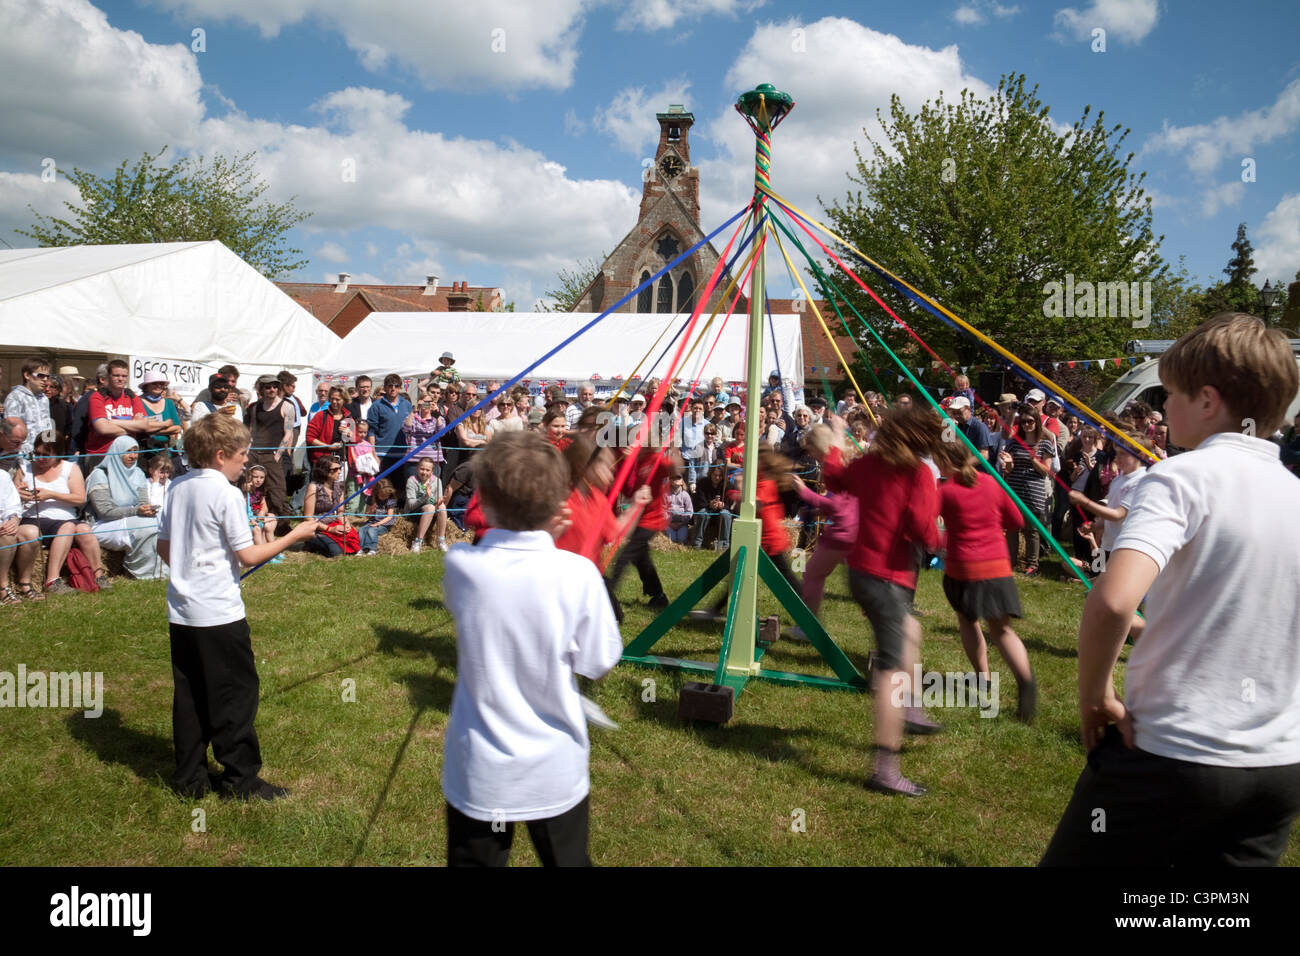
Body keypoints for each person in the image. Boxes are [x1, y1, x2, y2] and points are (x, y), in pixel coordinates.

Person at [1043, 313, 1300, 866]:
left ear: (1208, 401)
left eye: (1172, 393)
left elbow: (1113, 598)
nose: (1162, 408)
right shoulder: (1294, 493)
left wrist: (1095, 694)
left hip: (1174, 753)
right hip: (1278, 769)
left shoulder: (1179, 479)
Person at [441, 431, 622, 866]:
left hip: (481, 773)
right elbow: (598, 661)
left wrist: (537, 532)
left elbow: (493, 556)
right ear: (559, 500)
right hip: (553, 771)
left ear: (483, 503)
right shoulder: (578, 575)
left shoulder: (462, 566)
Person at [157, 412, 317, 799]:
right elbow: (248, 555)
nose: (246, 461)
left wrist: (193, 569)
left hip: (183, 612)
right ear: (219, 455)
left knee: (191, 696)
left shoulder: (176, 487)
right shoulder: (227, 493)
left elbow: (164, 546)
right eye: (242, 454)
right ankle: (240, 780)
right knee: (235, 695)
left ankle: (189, 779)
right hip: (218, 615)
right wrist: (295, 534)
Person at [822, 405, 942, 797]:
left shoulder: (870, 464)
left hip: (860, 574)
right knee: (890, 672)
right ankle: (886, 770)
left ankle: (911, 707)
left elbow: (835, 477)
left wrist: (837, 437)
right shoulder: (918, 474)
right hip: (888, 579)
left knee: (912, 629)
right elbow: (924, 530)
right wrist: (945, 537)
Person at [934, 439, 1037, 720]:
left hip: (963, 569)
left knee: (968, 621)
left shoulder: (945, 491)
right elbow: (1016, 521)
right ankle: (1026, 682)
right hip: (998, 568)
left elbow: (925, 523)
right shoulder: (992, 484)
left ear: (944, 464)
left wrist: (941, 540)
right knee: (1002, 630)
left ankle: (984, 678)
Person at [17, 438, 102, 596]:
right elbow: (13, 496)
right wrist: (21, 493)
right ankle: (52, 579)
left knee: (83, 528)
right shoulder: (25, 468)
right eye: (37, 453)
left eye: (45, 455)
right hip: (35, 517)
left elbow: (79, 498)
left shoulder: (70, 468)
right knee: (69, 527)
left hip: (65, 517)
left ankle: (98, 575)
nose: (40, 458)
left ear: (58, 454)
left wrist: (50, 494)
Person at [792, 425, 858, 621]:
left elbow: (838, 505)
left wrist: (805, 492)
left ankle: (808, 626)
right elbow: (845, 500)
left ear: (816, 446)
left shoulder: (831, 465)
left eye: (810, 449)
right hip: (855, 530)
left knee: (811, 574)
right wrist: (818, 510)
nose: (809, 454)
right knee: (865, 585)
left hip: (843, 532)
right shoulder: (837, 458)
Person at [85, 436, 166, 581]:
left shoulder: (138, 473)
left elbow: (142, 502)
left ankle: (161, 571)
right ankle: (138, 572)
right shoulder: (100, 475)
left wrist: (148, 510)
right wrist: (136, 511)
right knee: (145, 526)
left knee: (161, 522)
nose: (133, 456)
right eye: (128, 451)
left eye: (136, 451)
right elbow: (105, 511)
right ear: (117, 452)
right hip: (103, 524)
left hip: (129, 518)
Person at [998, 405, 1055, 576]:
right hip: (1015, 488)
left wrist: (1033, 459)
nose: (1026, 425)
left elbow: (1046, 470)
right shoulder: (1015, 443)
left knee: (1032, 529)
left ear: (1036, 422)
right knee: (1013, 527)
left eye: (1029, 421)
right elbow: (1009, 469)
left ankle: (1032, 564)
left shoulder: (1045, 444)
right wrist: (1008, 463)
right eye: (1022, 422)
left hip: (1034, 489)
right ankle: (1011, 562)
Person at [84, 360, 169, 471]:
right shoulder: (97, 397)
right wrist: (134, 426)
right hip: (101, 454)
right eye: (116, 375)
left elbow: (144, 425)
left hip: (127, 455)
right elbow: (103, 428)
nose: (121, 379)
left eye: (124, 376)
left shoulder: (132, 396)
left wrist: (112, 421)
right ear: (108, 376)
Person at [243, 374, 293, 517]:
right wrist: (247, 451)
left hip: (272, 454)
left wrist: (278, 454)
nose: (272, 389)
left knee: (277, 489)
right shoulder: (254, 408)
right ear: (261, 389)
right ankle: (248, 516)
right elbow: (251, 431)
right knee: (247, 485)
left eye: (275, 386)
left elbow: (288, 433)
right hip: (253, 452)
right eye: (268, 387)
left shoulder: (287, 406)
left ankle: (282, 523)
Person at [1, 464, 41, 605]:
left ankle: (25, 583)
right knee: (6, 535)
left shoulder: (3, 476)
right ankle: (3, 587)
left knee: (32, 532)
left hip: (3, 524)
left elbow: (13, 505)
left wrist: (13, 519)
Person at [302, 457, 352, 558]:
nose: (339, 472)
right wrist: (329, 529)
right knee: (337, 553)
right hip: (317, 528)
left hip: (335, 525)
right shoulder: (314, 487)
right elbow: (308, 517)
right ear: (324, 471)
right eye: (335, 469)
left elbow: (340, 512)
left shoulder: (340, 487)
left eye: (340, 468)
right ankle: (310, 543)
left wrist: (346, 523)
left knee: (354, 544)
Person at [3, 356, 54, 456]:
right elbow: (11, 432)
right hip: (21, 456)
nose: (45, 380)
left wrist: (49, 449)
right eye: (40, 375)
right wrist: (20, 456)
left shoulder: (44, 399)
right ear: (27, 375)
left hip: (41, 455)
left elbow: (48, 426)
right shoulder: (15, 397)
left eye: (47, 376)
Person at [367, 373, 413, 481]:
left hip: (402, 453)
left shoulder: (407, 404)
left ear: (400, 388)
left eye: (396, 386)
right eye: (390, 386)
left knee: (400, 489)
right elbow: (371, 431)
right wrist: (373, 453)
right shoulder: (376, 406)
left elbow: (412, 429)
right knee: (382, 489)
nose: (393, 388)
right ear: (385, 387)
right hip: (382, 454)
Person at [137, 370, 185, 469]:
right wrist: (166, 424)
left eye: (161, 383)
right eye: (154, 383)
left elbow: (177, 428)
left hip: (166, 452)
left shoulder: (168, 403)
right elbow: (140, 428)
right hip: (145, 452)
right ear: (146, 386)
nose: (158, 386)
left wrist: (152, 430)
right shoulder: (138, 401)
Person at [305, 386, 355, 467]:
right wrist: (328, 446)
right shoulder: (321, 415)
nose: (334, 402)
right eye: (332, 399)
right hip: (323, 461)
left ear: (344, 400)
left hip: (342, 461)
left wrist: (349, 434)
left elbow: (354, 441)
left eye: (338, 399)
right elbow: (309, 438)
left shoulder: (349, 417)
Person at [406, 457, 448, 553]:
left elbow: (438, 501)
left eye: (427, 470)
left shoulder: (437, 481)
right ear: (417, 468)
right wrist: (425, 497)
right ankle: (418, 541)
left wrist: (440, 501)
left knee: (442, 507)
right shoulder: (412, 481)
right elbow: (411, 505)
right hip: (415, 513)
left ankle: (441, 540)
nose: (424, 472)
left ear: (432, 472)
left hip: (431, 513)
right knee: (430, 507)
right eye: (422, 469)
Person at [690, 464, 732, 550]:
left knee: (726, 515)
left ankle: (724, 545)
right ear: (710, 473)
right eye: (715, 475)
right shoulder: (702, 483)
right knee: (702, 513)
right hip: (707, 510)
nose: (717, 478)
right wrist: (709, 504)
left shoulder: (728, 485)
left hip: (721, 512)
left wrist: (723, 505)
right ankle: (697, 543)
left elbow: (731, 504)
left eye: (720, 476)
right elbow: (698, 502)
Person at [242, 464, 279, 550]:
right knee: (264, 526)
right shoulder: (246, 488)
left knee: (272, 517)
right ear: (250, 477)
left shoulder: (261, 489)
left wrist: (262, 513)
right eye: (255, 477)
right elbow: (245, 509)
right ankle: (265, 549)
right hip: (249, 517)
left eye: (262, 477)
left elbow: (264, 506)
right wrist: (248, 484)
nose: (259, 480)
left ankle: (272, 549)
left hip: (257, 516)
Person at [358, 477, 397, 556]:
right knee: (362, 529)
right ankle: (361, 548)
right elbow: (367, 515)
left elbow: (389, 517)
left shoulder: (390, 500)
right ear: (376, 492)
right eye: (382, 495)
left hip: (384, 524)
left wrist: (377, 524)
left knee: (372, 530)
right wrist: (371, 510)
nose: (384, 497)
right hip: (372, 521)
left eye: (386, 495)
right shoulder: (371, 499)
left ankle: (372, 549)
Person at [665, 474, 693, 544]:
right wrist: (669, 523)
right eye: (673, 478)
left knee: (682, 540)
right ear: (670, 481)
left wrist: (681, 523)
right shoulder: (666, 494)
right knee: (672, 540)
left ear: (682, 481)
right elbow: (663, 510)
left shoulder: (685, 495)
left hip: (682, 524)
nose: (676, 479)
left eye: (679, 478)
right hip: (669, 524)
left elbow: (689, 511)